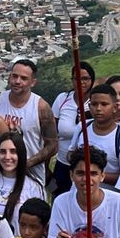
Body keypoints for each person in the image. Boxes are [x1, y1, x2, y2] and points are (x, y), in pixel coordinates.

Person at [0, 58, 58, 189]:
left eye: (23, 78)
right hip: (1, 172)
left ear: (33, 82)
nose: (17, 81)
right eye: (14, 76)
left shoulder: (41, 108)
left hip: (32, 176)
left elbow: (52, 145)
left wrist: (27, 163)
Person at [69, 83, 120, 185]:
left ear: (115, 107)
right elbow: (70, 153)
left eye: (104, 104)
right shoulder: (82, 127)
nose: (98, 109)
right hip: (78, 193)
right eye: (94, 104)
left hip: (107, 197)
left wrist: (95, 175)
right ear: (89, 106)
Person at [50, 60, 94, 194]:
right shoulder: (62, 99)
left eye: (85, 79)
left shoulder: (95, 103)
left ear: (92, 80)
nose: (81, 82)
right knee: (58, 197)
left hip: (87, 166)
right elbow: (52, 130)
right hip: (63, 163)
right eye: (77, 79)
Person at [0, 131, 42, 225]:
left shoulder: (34, 187)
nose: (7, 157)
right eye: (2, 152)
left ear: (21, 154)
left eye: (13, 152)